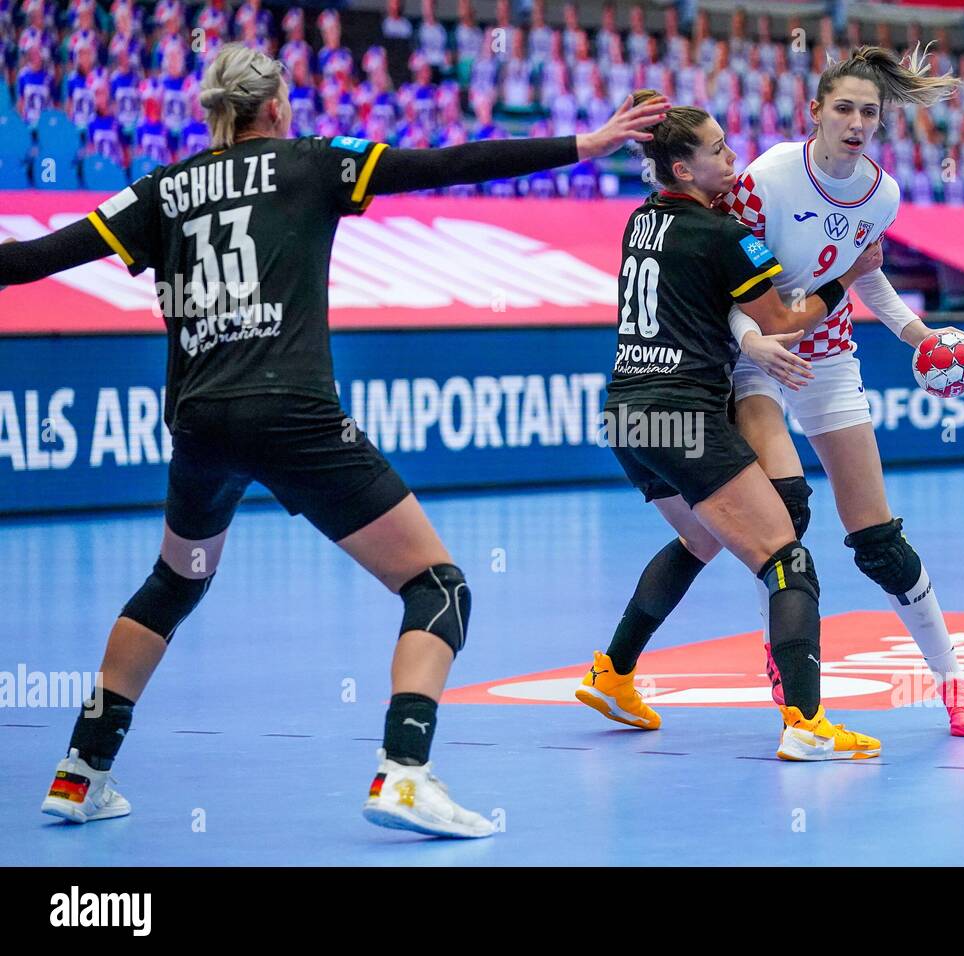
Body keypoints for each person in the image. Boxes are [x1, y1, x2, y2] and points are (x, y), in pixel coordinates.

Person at [0, 43, 667, 838]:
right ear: (277, 106)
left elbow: (35, 258)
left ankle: (80, 773)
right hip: (294, 414)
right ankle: (405, 774)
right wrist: (579, 146)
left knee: (173, 583)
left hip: (202, 424)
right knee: (439, 586)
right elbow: (447, 165)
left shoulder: (163, 188)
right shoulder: (315, 162)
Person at [575, 90, 886, 761]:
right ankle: (806, 722)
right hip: (682, 413)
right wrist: (848, 279)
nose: (733, 158)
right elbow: (783, 320)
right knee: (786, 555)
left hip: (627, 416)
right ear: (682, 170)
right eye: (717, 150)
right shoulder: (725, 236)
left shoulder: (640, 220)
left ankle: (612, 671)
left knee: (702, 540)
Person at [720, 45, 964, 736]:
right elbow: (723, 280)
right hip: (758, 354)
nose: (856, 121)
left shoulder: (882, 194)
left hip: (830, 355)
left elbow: (863, 275)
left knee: (877, 539)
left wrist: (918, 336)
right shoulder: (766, 179)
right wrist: (753, 343)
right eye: (843, 108)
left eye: (869, 112)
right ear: (814, 112)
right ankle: (784, 663)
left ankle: (955, 683)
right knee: (783, 517)